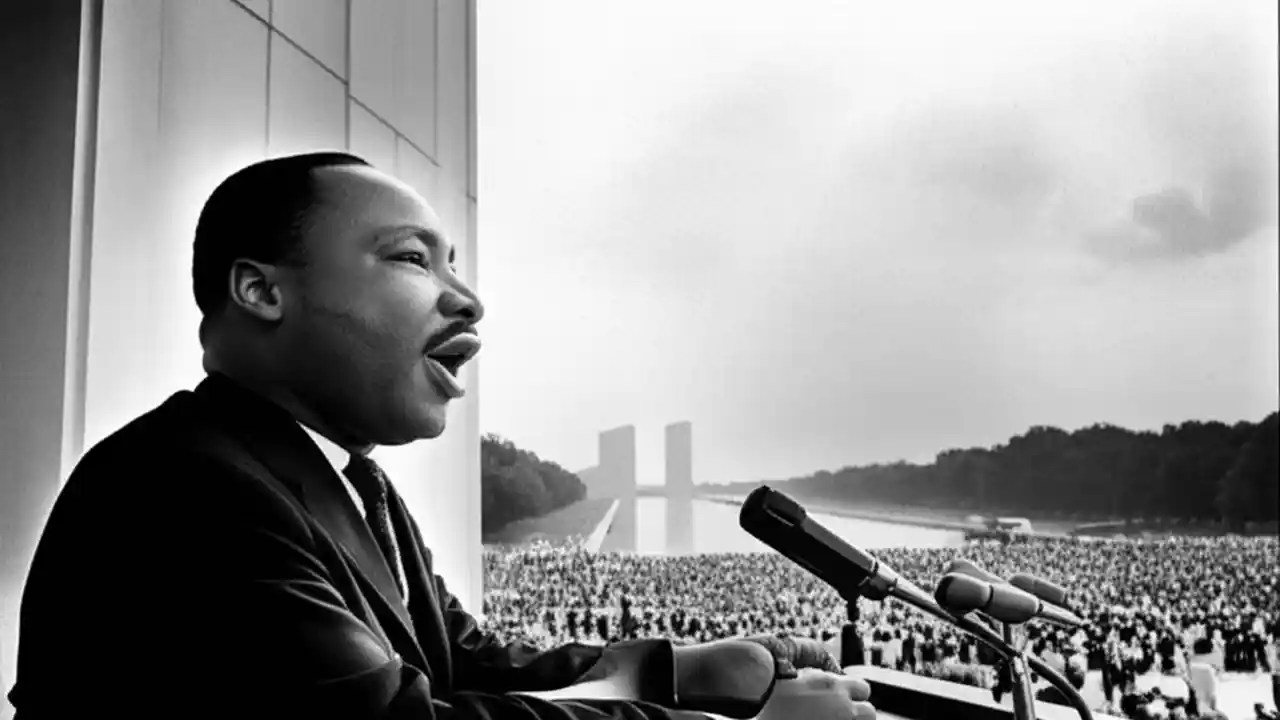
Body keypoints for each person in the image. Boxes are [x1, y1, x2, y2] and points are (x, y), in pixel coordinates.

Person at [7, 153, 875, 720]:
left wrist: (676, 668)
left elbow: (460, 663)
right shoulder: (185, 486)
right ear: (260, 291)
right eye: (413, 260)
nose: (466, 299)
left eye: (453, 262)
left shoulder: (344, 478)